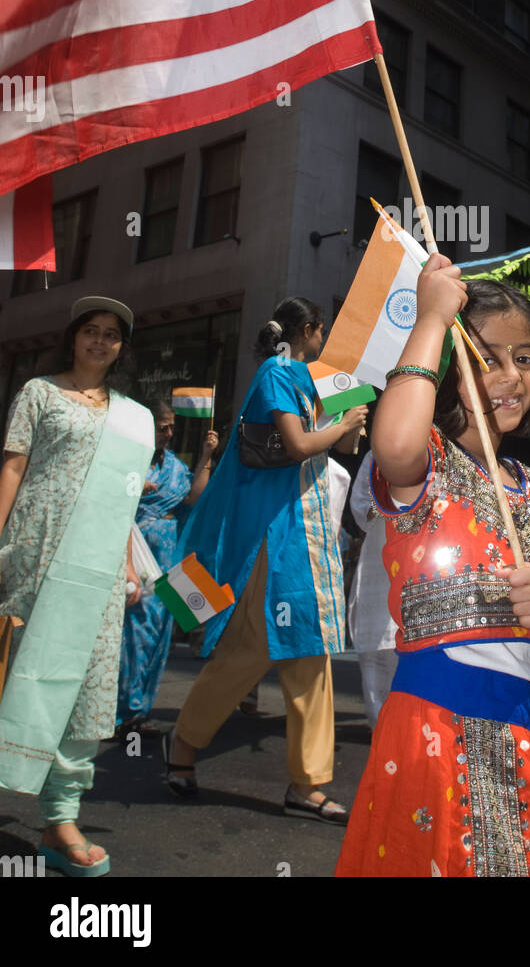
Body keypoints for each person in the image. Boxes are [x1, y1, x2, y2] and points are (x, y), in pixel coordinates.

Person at [335, 262, 530, 878]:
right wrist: (430, 319)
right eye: (487, 357)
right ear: (448, 368)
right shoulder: (425, 465)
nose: (510, 377)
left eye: (525, 359)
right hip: (430, 732)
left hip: (518, 738)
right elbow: (394, 443)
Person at [163, 297, 367, 821]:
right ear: (309, 330)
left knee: (310, 655)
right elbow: (300, 445)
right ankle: (182, 746)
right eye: (323, 332)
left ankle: (308, 784)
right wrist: (339, 427)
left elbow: (335, 450)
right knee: (247, 655)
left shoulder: (306, 379)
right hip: (272, 537)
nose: (326, 342)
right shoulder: (277, 374)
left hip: (306, 536)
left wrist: (350, 417)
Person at [0, 297, 154, 877]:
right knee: (16, 669)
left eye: (111, 334)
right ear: (73, 338)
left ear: (121, 348)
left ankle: (60, 816)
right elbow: (13, 466)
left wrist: (128, 564)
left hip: (96, 568)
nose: (99, 341)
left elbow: (121, 500)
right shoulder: (39, 392)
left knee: (85, 683)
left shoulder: (131, 417)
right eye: (90, 330)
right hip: (32, 553)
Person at [115, 399, 218, 737]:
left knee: (160, 634)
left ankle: (140, 709)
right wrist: (133, 488)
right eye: (163, 427)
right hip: (138, 559)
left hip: (170, 561)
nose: (170, 433)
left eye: (172, 427)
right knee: (136, 634)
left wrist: (205, 456)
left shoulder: (172, 464)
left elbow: (192, 498)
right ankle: (122, 711)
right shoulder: (126, 459)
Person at [346, 450, 398, 727]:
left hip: (428, 565)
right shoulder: (378, 456)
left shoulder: (445, 451)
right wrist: (391, 500)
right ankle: (380, 724)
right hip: (381, 563)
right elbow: (361, 508)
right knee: (377, 650)